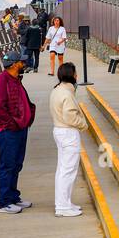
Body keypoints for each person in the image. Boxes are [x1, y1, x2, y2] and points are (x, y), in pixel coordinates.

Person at [0, 49, 35, 215]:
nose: (23, 64)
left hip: (18, 129)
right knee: (7, 165)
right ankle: (4, 202)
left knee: (16, 164)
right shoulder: (2, 81)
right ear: (15, 64)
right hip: (9, 131)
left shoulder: (14, 79)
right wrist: (12, 124)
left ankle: (13, 196)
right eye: (21, 62)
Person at [49, 61, 88, 217]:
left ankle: (64, 202)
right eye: (75, 73)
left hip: (59, 130)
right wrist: (83, 125)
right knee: (68, 170)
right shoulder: (67, 93)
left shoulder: (57, 90)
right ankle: (63, 207)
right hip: (68, 133)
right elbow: (70, 116)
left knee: (63, 169)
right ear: (72, 76)